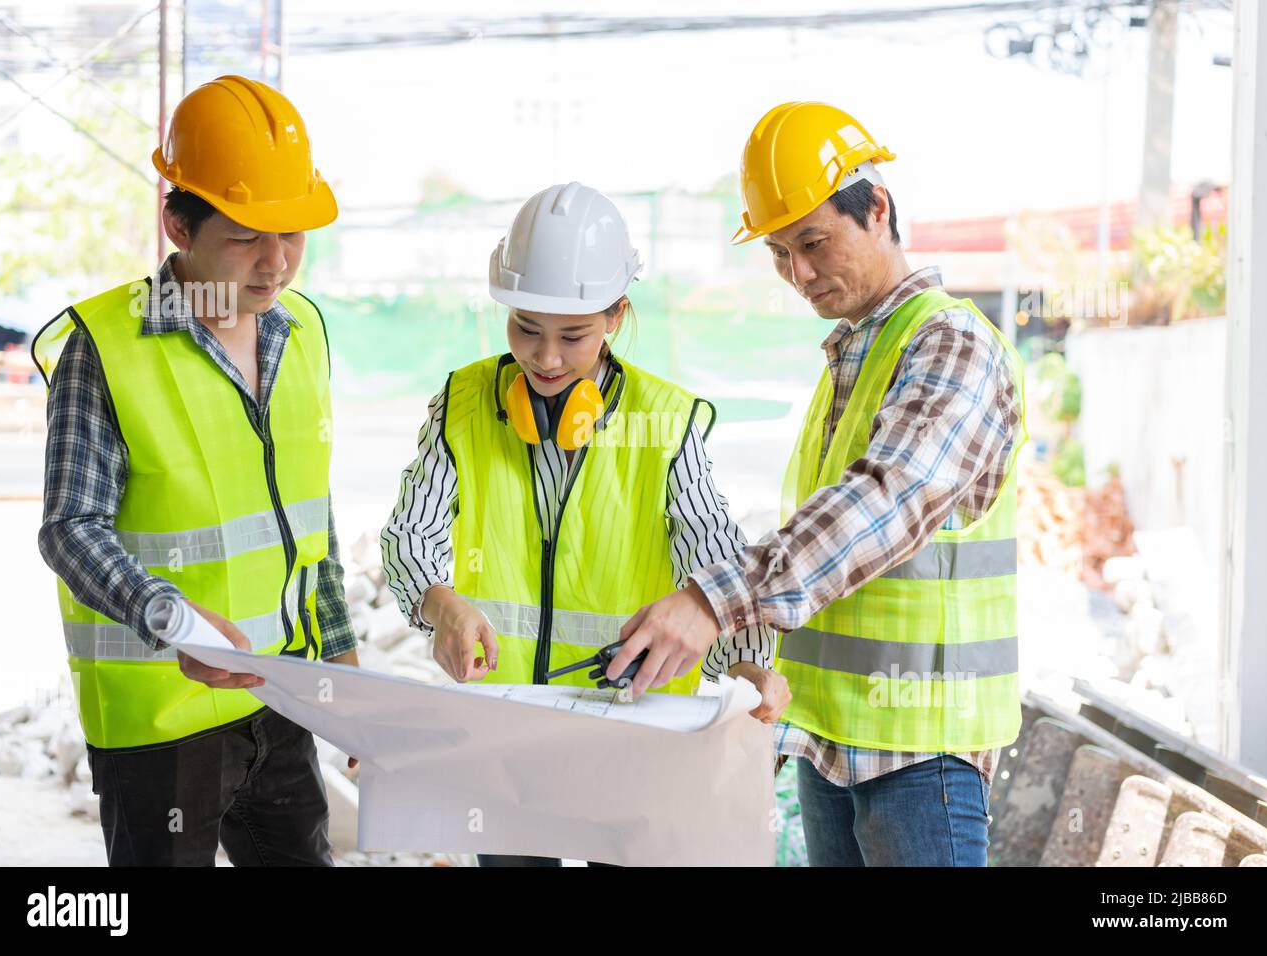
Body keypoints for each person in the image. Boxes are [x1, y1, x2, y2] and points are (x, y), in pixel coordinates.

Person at [606, 102, 1027, 867]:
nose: (798, 274)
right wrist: (749, 661)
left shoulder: (951, 342)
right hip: (829, 744)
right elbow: (822, 551)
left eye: (814, 242)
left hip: (920, 754)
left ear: (878, 208)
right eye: (778, 253)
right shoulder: (849, 363)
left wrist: (712, 601)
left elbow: (890, 498)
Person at [381, 181, 790, 867]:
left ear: (616, 318)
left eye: (572, 335)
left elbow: (712, 554)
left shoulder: (665, 424)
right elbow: (409, 538)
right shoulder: (462, 403)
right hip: (508, 736)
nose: (544, 358)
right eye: (524, 329)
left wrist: (751, 661)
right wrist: (440, 602)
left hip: (631, 737)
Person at [34, 74, 358, 866]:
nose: (276, 263)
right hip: (158, 724)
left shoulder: (302, 332)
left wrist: (345, 670)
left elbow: (310, 517)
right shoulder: (105, 348)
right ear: (178, 220)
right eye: (248, 234)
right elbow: (70, 529)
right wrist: (171, 619)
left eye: (292, 233)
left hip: (276, 696)